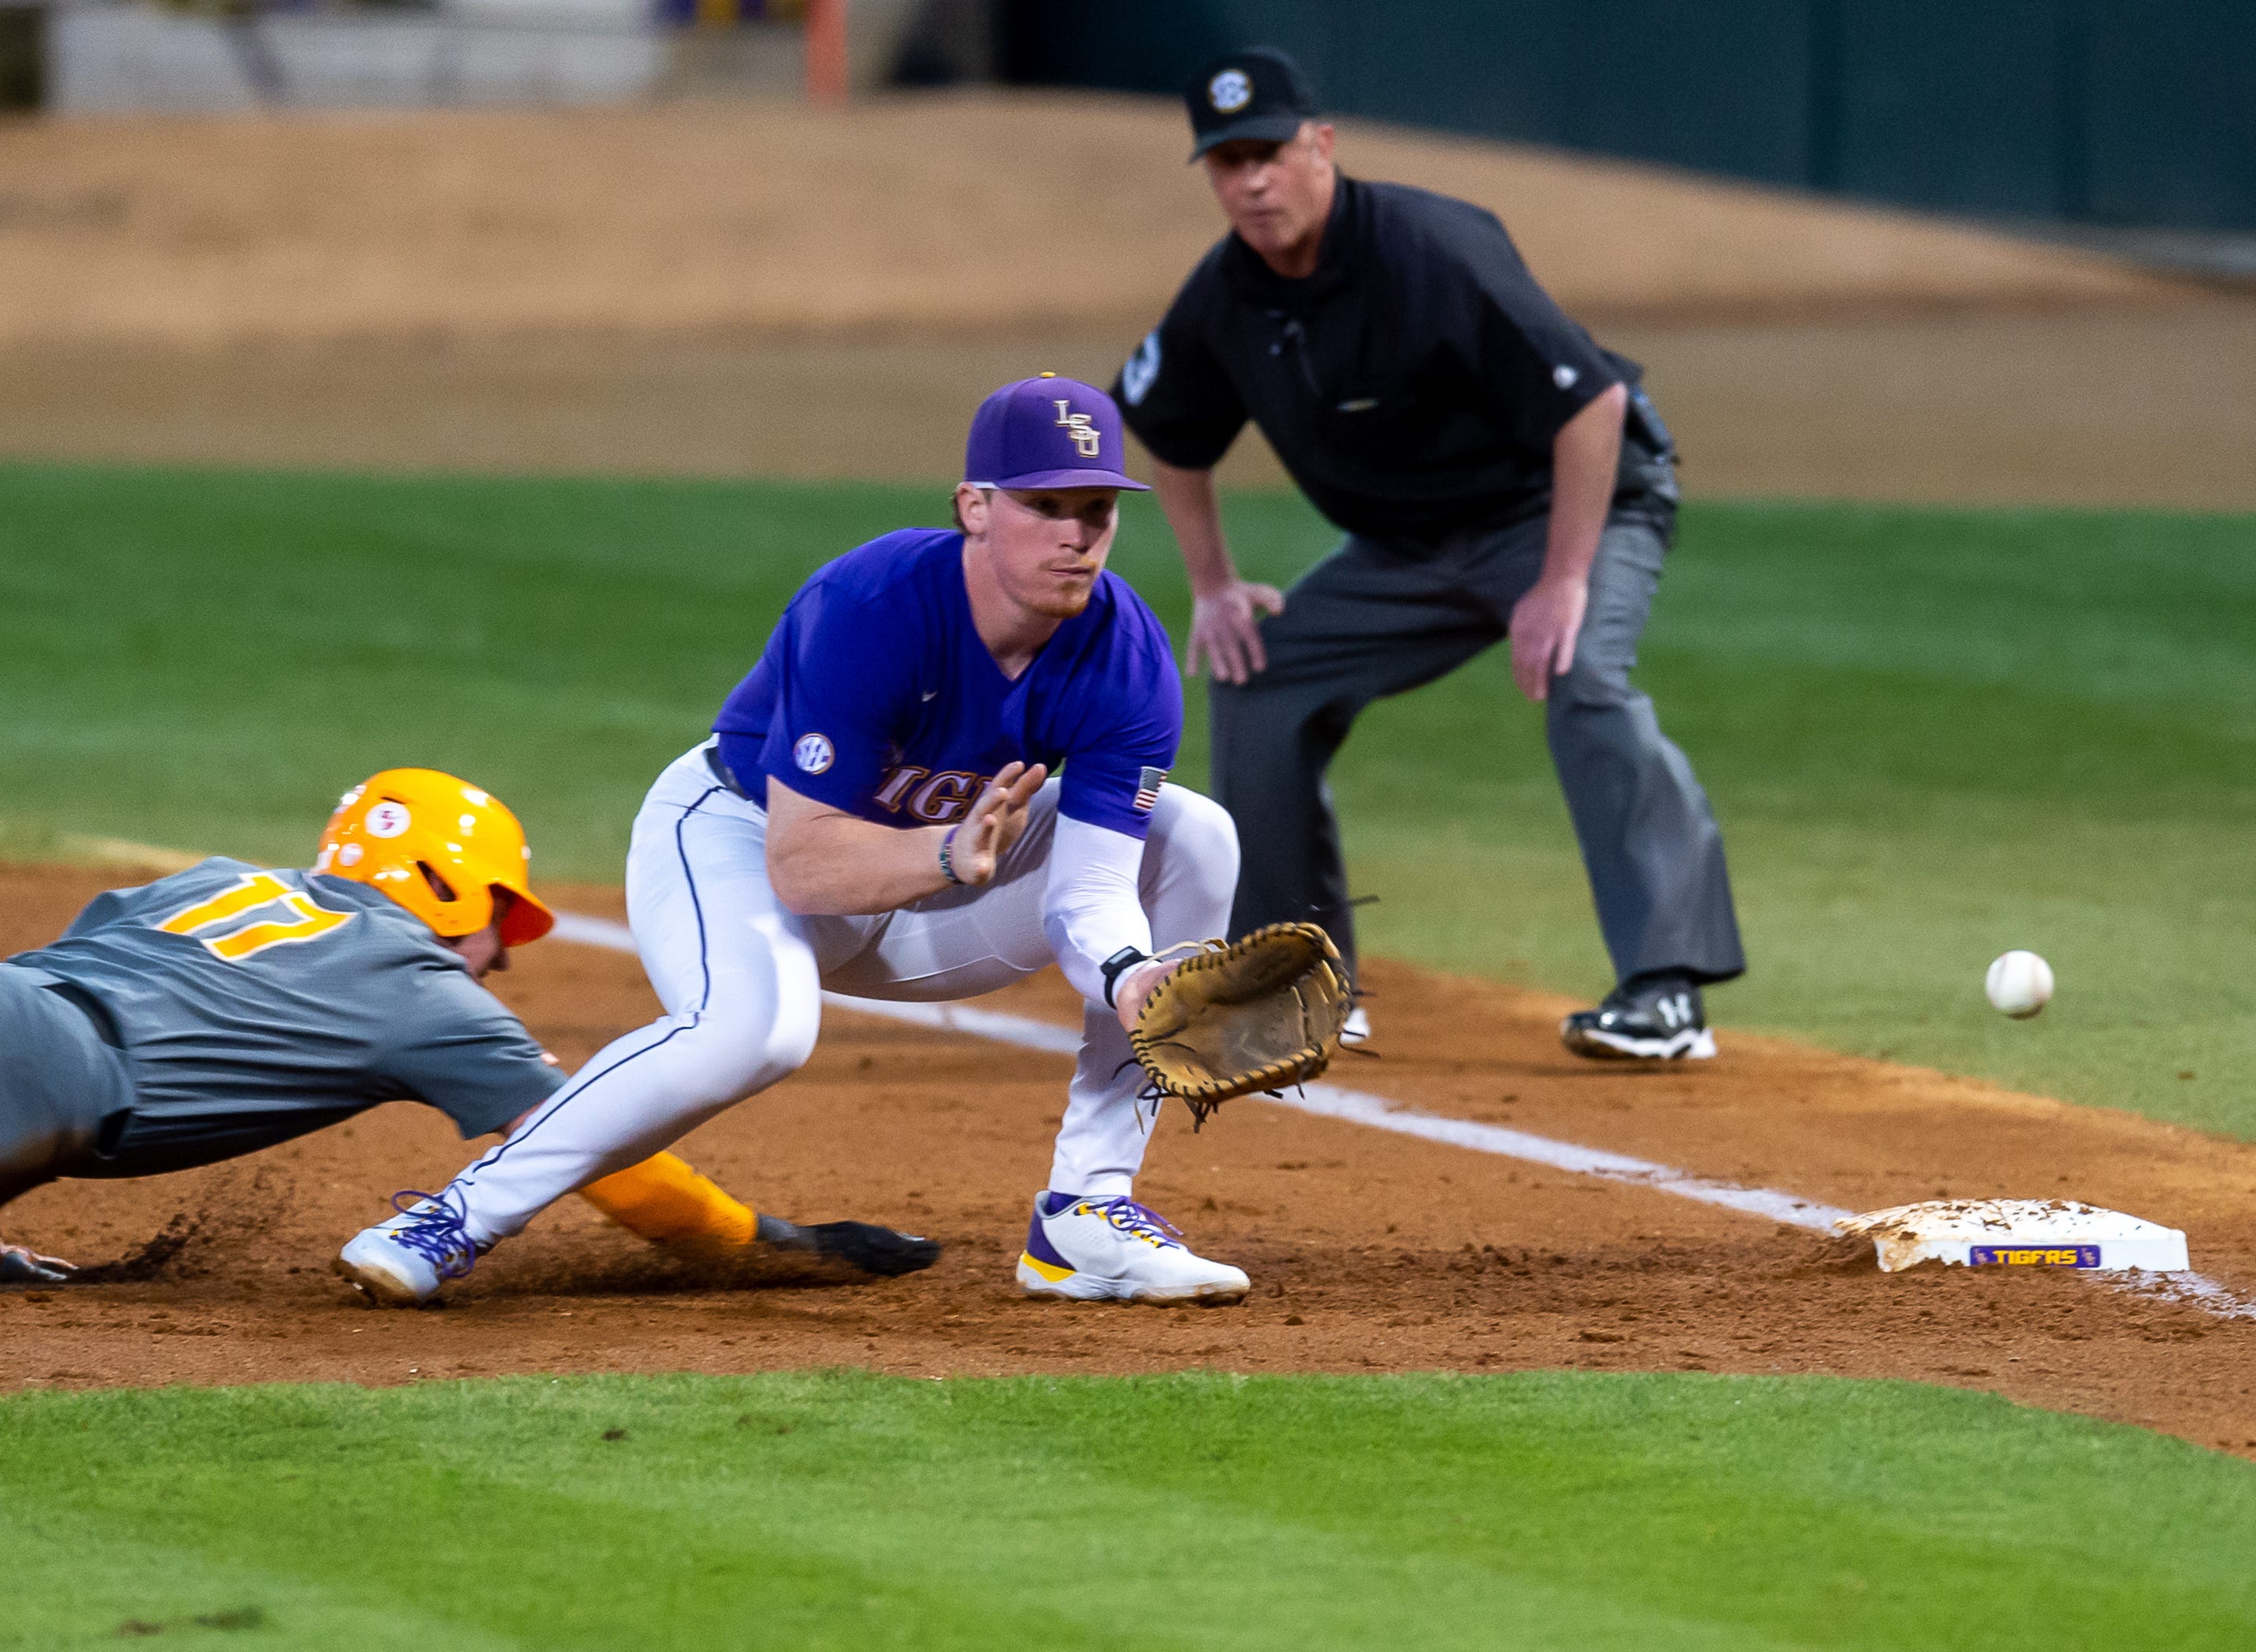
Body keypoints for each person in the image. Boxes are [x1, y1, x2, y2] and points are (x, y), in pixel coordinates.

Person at [338, 376, 1251, 1309]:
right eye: (1044, 506)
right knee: (757, 1031)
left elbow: (1090, 892)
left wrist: (1133, 974)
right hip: (740, 843)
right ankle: (448, 1219)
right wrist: (942, 855)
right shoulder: (875, 605)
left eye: (1096, 510)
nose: (1077, 534)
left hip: (926, 892)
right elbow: (803, 866)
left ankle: (1085, 1216)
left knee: (1196, 836)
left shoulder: (1125, 655)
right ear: (975, 507)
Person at [1113, 47, 1746, 1062]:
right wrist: (1215, 586)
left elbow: (1592, 404)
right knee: (1257, 674)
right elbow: (1164, 427)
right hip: (1408, 548)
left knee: (1585, 673)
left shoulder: (1430, 248)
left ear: (1321, 145)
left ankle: (1665, 990)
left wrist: (1563, 580)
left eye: (1269, 151)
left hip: (1569, 506)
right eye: (1228, 163)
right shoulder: (1225, 295)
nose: (1253, 180)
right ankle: (1307, 984)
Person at [0, 769, 924, 1290]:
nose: (503, 957)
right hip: (32, 1067)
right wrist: (771, 1244)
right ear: (451, 888)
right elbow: (595, 1146)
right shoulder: (420, 988)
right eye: (502, 919)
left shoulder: (216, 878)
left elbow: (57, 982)